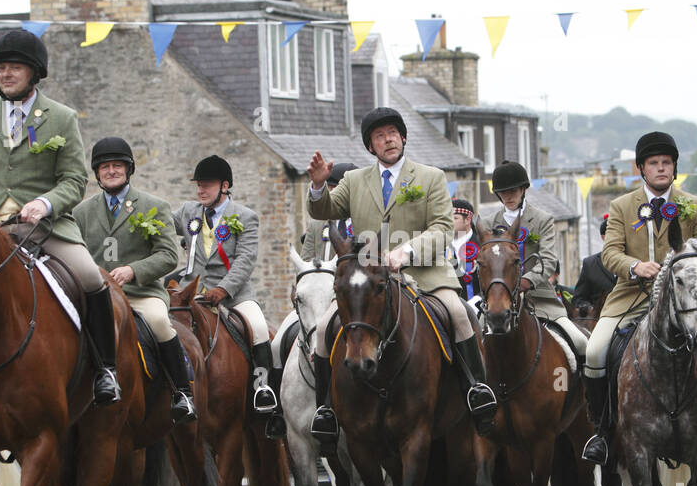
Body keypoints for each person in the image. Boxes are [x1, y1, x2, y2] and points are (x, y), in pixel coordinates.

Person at [305, 106, 498, 448]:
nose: (388, 139)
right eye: (379, 136)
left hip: (425, 275)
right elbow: (325, 210)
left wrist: (405, 252)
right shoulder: (353, 181)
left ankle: (478, 393)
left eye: (393, 133)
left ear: (403, 137)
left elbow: (441, 228)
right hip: (370, 280)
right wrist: (319, 185)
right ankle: (326, 411)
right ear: (371, 147)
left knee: (458, 314)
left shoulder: (431, 176)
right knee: (323, 329)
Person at [0, 29, 120, 410]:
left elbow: (75, 179)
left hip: (46, 227)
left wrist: (45, 203)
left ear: (34, 73)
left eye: (14, 67)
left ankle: (105, 369)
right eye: (0, 68)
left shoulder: (61, 117)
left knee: (92, 278)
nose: (5, 74)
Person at [580, 131, 697, 464]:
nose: (660, 169)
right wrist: (635, 266)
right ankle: (603, 431)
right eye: (654, 163)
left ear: (674, 167)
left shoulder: (692, 205)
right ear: (642, 168)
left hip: (685, 301)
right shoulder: (622, 206)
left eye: (666, 163)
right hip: (631, 298)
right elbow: (610, 253)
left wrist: (694, 264)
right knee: (595, 351)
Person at [72, 137, 194, 424]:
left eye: (117, 166)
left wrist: (132, 271)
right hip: (97, 293)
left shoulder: (154, 205)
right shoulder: (81, 213)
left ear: (128, 169)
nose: (111, 171)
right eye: (104, 167)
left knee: (160, 322)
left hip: (141, 292)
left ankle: (182, 392)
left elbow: (167, 256)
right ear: (97, 173)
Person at [173, 154, 277, 421]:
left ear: (225, 186)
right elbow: (162, 224)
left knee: (258, 327)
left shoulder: (245, 216)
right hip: (192, 294)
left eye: (207, 184)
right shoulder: (187, 212)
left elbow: (246, 259)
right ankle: (175, 391)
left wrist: (224, 288)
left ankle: (262, 389)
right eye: (198, 184)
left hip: (233, 295)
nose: (200, 190)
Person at [261, 160, 356, 439]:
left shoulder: (362, 222)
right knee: (278, 342)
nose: (335, 193)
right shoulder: (317, 223)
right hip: (315, 295)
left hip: (346, 297)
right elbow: (305, 259)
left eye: (339, 188)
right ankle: (278, 412)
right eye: (331, 188)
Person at [480, 160, 588, 360]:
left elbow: (547, 259)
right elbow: (483, 264)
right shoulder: (488, 224)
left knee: (581, 343)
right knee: (473, 340)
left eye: (513, 190)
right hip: (498, 301)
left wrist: (527, 281)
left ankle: (584, 391)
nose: (508, 196)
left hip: (539, 300)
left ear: (523, 189)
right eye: (503, 192)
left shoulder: (542, 219)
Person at [572, 213, 616, 319]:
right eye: (613, 234)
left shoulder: (635, 261)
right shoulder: (590, 264)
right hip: (602, 318)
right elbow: (579, 299)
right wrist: (591, 309)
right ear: (603, 237)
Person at [449, 197, 482, 300]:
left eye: (454, 218)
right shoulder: (442, 247)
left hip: (479, 308)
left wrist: (477, 301)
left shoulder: (482, 246)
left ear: (468, 220)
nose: (449, 222)